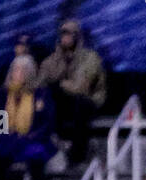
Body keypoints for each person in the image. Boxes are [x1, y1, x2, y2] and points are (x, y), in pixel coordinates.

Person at [37, 19, 107, 168]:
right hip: (64, 104)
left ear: (77, 36)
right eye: (63, 34)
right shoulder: (51, 61)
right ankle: (51, 147)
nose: (66, 37)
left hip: (88, 100)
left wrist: (59, 84)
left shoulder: (90, 58)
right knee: (45, 99)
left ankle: (78, 156)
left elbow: (82, 87)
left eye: (70, 34)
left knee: (80, 105)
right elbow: (40, 85)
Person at [0, 56, 56, 180]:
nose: (19, 73)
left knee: (36, 153)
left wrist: (29, 136)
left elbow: (47, 122)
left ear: (30, 73)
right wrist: (8, 136)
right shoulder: (2, 94)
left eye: (23, 70)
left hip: (33, 139)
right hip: (7, 139)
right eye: (16, 70)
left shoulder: (41, 93)